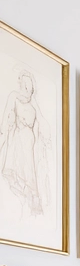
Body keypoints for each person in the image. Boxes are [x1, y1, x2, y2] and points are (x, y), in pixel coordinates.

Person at [0, 69, 51, 217]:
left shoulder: (33, 104)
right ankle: (26, 195)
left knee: (29, 171)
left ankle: (32, 199)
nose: (26, 87)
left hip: (29, 141)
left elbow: (41, 125)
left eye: (28, 84)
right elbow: (5, 121)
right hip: (18, 139)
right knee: (17, 169)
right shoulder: (14, 97)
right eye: (24, 83)